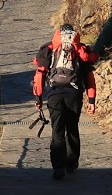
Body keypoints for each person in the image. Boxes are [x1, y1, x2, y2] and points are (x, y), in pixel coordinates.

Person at [32, 24, 100, 179]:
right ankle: (71, 163)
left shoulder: (50, 49)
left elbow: (39, 75)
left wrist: (38, 98)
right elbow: (89, 78)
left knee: (57, 130)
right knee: (72, 128)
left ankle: (58, 168)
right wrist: (91, 100)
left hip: (54, 94)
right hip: (74, 94)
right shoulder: (80, 49)